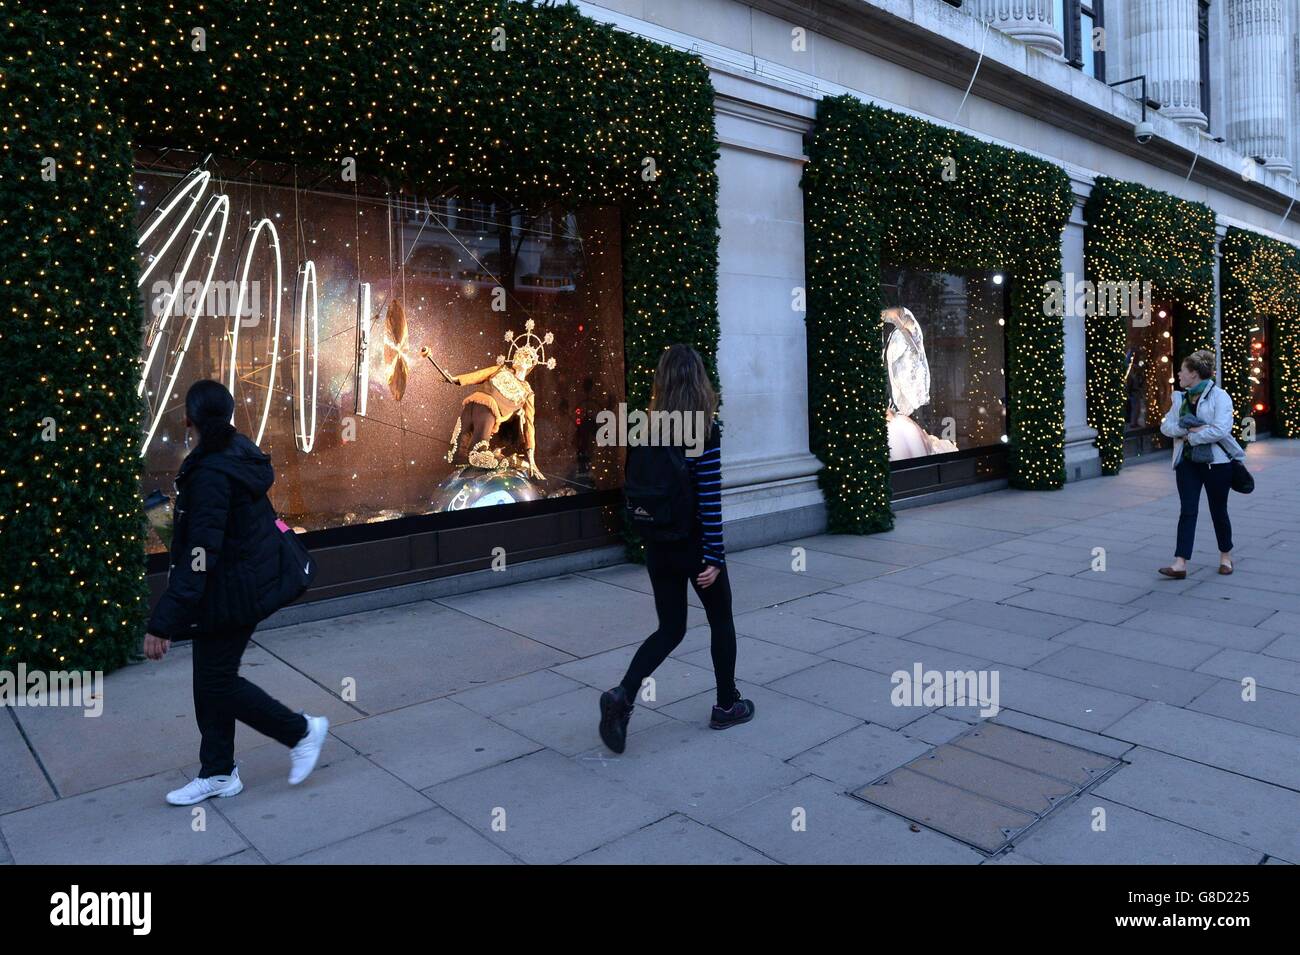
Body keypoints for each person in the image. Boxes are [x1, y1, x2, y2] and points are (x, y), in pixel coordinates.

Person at [143, 380, 329, 805]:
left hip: (233, 592)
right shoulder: (233, 452)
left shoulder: (210, 470)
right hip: (229, 586)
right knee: (208, 682)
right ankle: (219, 772)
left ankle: (301, 732)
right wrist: (174, 524)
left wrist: (163, 622)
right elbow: (211, 532)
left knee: (217, 682)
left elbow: (200, 554)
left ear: (189, 419)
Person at [599, 345, 754, 753]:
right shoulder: (704, 428)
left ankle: (623, 695)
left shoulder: (647, 428)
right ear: (698, 380)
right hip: (696, 547)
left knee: (670, 628)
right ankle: (726, 704)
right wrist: (715, 557)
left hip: (658, 545)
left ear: (662, 382)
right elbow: (708, 498)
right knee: (720, 619)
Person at [1157, 349, 1244, 579]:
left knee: (1218, 510)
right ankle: (1180, 563)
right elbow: (1166, 426)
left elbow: (1220, 430)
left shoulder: (1220, 396)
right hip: (1187, 463)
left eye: (1182, 371)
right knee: (1188, 510)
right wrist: (1188, 429)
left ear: (1194, 374)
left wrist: (1191, 437)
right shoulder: (1180, 398)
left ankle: (1226, 556)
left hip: (1216, 463)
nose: (1178, 374)